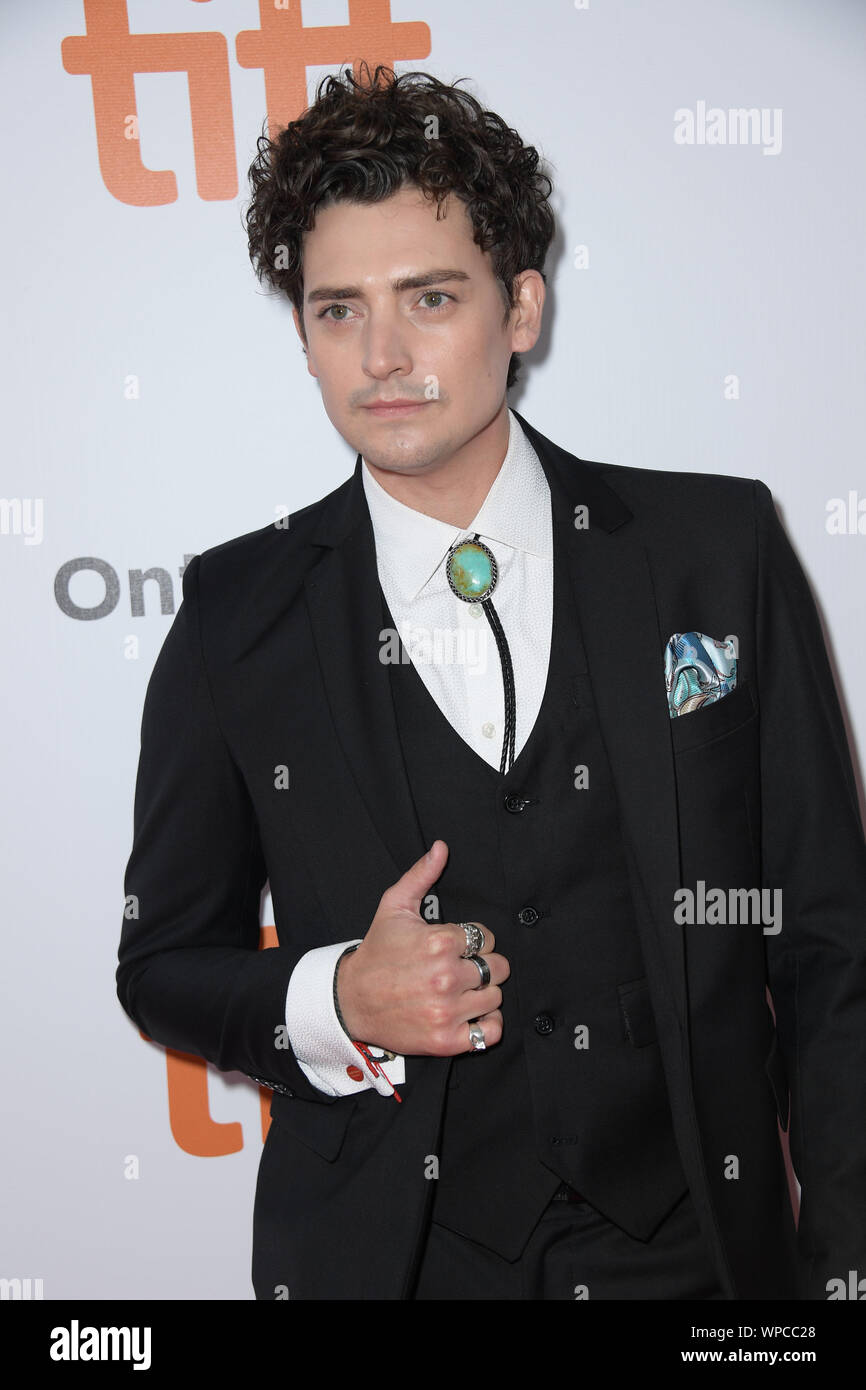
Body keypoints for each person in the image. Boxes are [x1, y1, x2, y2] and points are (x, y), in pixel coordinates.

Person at [117, 64, 866, 1301]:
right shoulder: (233, 613)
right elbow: (162, 961)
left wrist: (842, 1272)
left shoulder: (708, 553)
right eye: (338, 309)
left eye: (429, 297)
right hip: (392, 1264)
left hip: (694, 1259)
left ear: (519, 309)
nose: (385, 355)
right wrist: (336, 994)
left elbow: (831, 949)